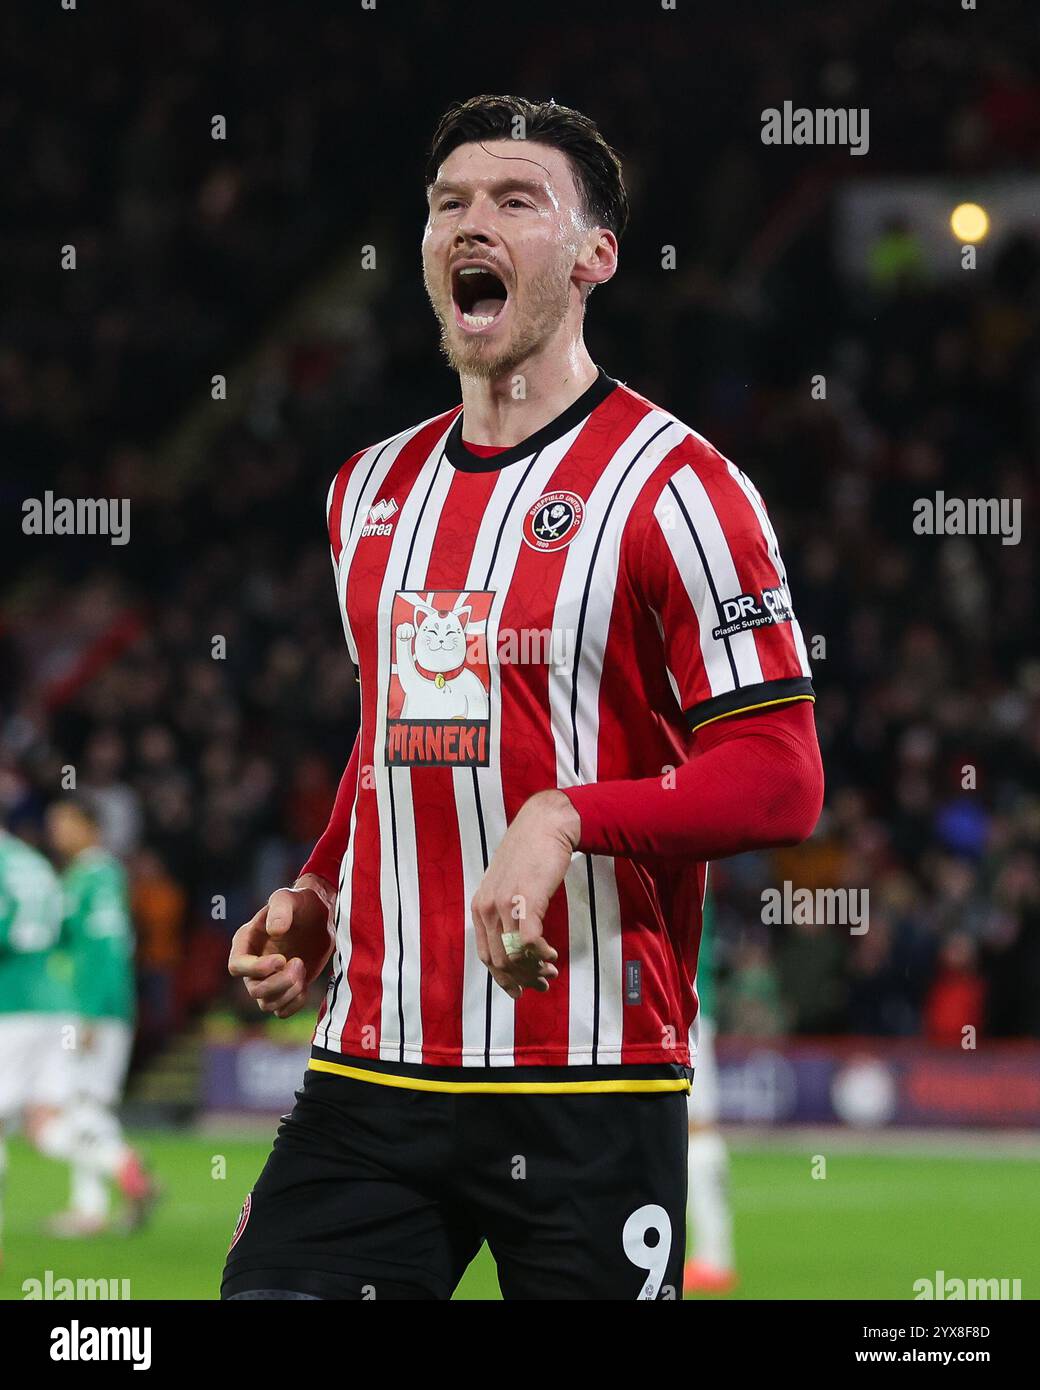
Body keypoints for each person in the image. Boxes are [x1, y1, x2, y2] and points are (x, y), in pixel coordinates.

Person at [223, 94, 823, 1301]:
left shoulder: (681, 489)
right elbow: (391, 736)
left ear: (595, 256)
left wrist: (563, 817)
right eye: (449, 203)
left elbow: (780, 774)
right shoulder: (366, 491)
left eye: (513, 201)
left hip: (588, 1073)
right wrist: (318, 886)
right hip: (372, 1070)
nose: (469, 223)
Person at [45, 797, 156, 1234]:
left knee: (74, 1104)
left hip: (94, 1011)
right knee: (82, 1104)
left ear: (88, 826)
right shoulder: (82, 877)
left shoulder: (99, 877)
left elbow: (107, 950)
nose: (57, 832)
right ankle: (92, 1206)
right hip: (86, 1008)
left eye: (65, 823)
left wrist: (90, 1014)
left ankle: (123, 1166)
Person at [0, 823, 76, 1262]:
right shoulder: (35, 862)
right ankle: (116, 1161)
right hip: (52, 999)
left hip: (11, 1003)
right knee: (44, 1120)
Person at [683, 890, 738, 1294]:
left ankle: (714, 1257)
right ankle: (711, 1255)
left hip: (686, 1011)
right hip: (688, 1008)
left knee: (698, 1132)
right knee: (696, 1132)